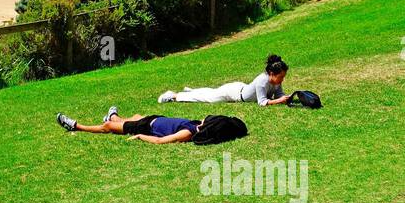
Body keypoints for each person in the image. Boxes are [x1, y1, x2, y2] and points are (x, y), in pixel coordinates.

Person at [160, 54, 290, 106]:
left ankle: (192, 91)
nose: (282, 80)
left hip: (239, 88)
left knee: (212, 92)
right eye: (281, 77)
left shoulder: (276, 82)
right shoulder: (263, 81)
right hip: (232, 93)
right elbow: (262, 102)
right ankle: (174, 95)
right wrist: (279, 101)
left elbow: (279, 94)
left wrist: (286, 97)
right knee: (209, 98)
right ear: (271, 73)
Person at [56, 107, 203, 143]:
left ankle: (76, 126)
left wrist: (140, 136)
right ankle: (114, 116)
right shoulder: (199, 123)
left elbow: (160, 141)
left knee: (107, 126)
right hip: (155, 119)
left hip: (146, 128)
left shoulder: (189, 133)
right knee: (136, 117)